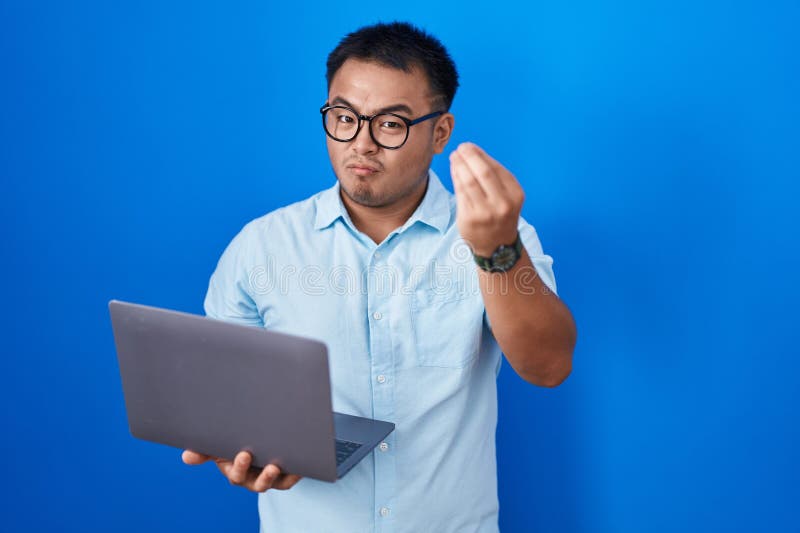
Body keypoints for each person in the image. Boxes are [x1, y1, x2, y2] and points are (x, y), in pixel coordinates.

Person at [182, 21, 576, 533]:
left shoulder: (498, 233)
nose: (360, 144)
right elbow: (224, 399)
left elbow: (548, 366)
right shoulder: (261, 246)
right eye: (344, 117)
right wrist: (237, 450)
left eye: (390, 124)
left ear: (440, 132)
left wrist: (495, 250)